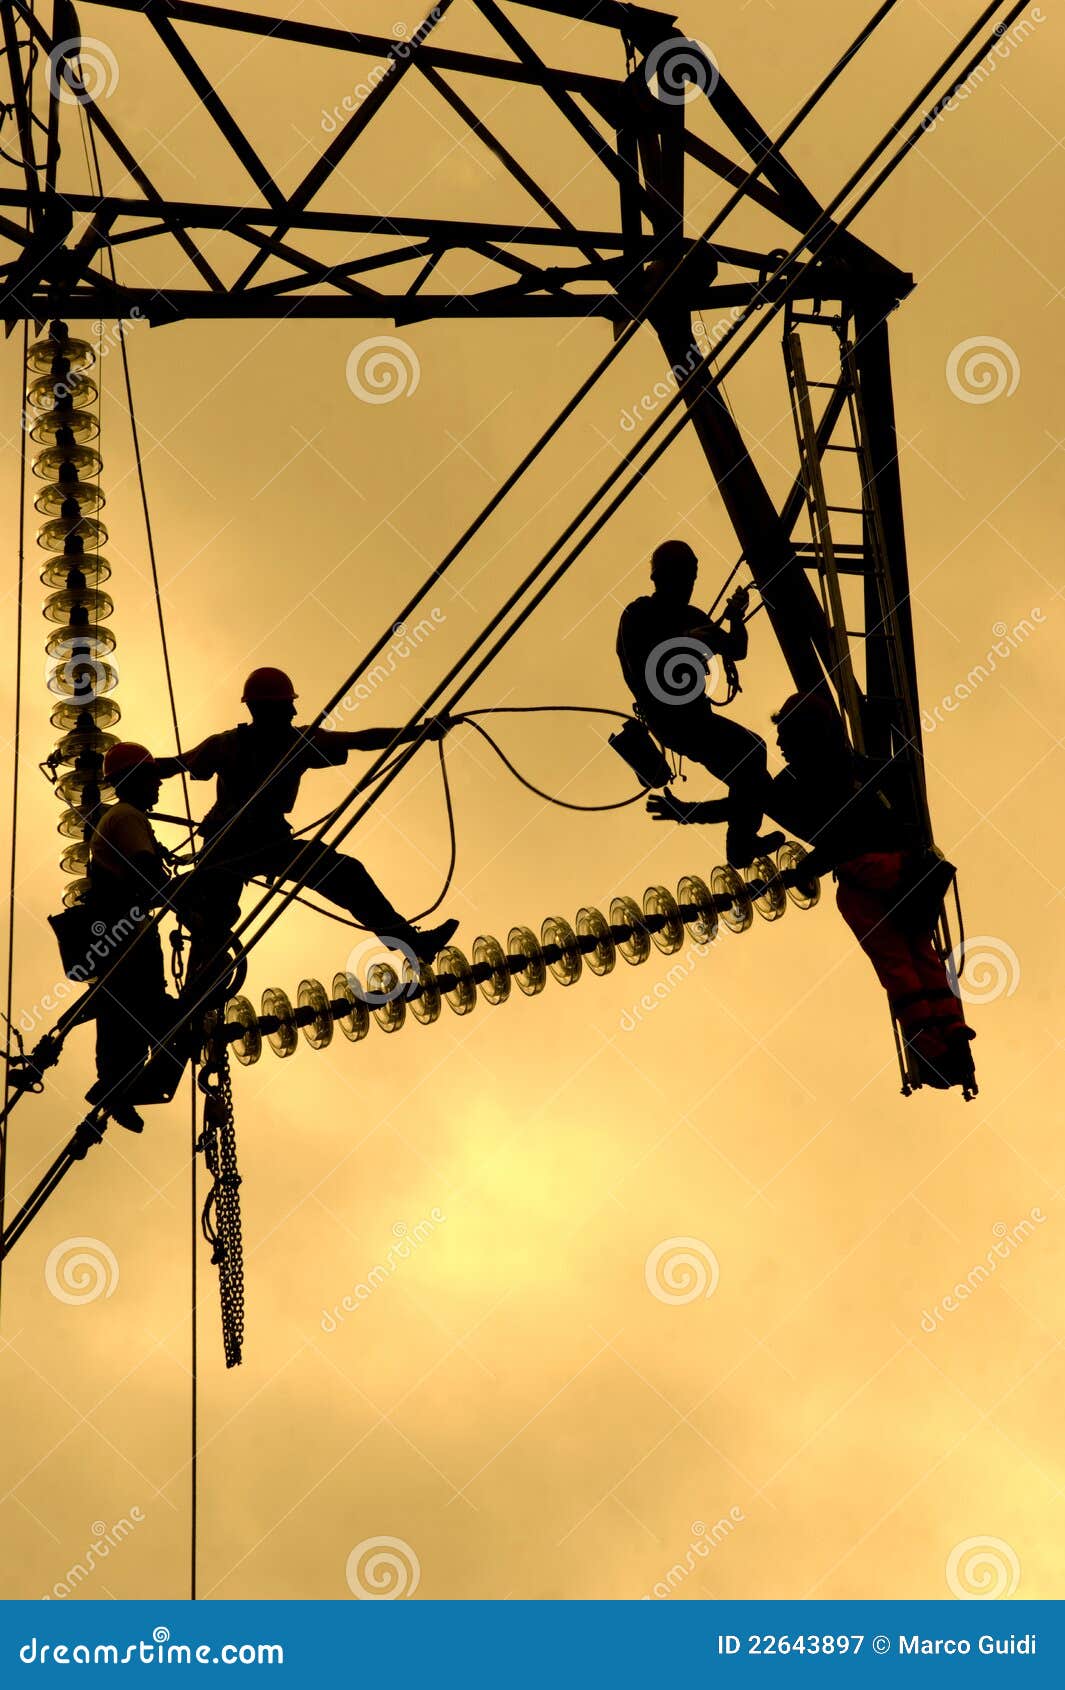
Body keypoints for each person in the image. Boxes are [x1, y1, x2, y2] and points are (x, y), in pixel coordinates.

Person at [648, 691, 976, 1094]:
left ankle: (932, 1050)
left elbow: (842, 834)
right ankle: (954, 1043)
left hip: (874, 874)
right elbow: (753, 801)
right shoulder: (841, 770)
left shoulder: (823, 778)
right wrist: (691, 812)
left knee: (898, 965)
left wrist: (807, 868)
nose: (781, 745)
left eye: (786, 735)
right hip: (912, 874)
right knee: (919, 954)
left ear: (808, 737)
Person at [154, 667, 458, 976]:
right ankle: (198, 991)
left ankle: (410, 942)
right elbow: (175, 764)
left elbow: (362, 740)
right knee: (213, 923)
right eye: (288, 706)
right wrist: (135, 773)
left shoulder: (287, 741)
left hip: (264, 843)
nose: (294, 711)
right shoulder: (245, 744)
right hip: (229, 847)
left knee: (344, 873)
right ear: (266, 709)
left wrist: (420, 732)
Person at [617, 540, 783, 867]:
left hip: (692, 718)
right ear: (662, 578)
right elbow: (638, 664)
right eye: (684, 576)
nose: (690, 584)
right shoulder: (639, 614)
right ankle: (739, 844)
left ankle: (739, 841)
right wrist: (687, 643)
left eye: (692, 577)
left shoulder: (693, 616)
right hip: (670, 719)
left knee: (752, 778)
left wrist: (735, 618)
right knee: (753, 755)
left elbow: (736, 648)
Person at [85, 741, 179, 1131]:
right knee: (143, 1010)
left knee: (125, 1012)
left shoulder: (126, 817)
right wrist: (182, 894)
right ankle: (118, 1085)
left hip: (124, 933)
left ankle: (117, 1085)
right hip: (125, 937)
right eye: (152, 778)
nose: (158, 786)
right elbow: (147, 873)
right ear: (134, 780)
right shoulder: (125, 818)